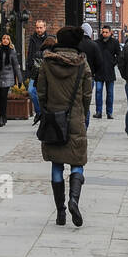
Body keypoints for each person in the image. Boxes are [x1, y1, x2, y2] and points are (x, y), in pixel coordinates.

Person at [37, 25, 93, 226]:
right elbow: (87, 94)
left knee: (57, 164)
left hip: (53, 118)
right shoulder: (82, 65)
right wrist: (83, 113)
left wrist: (46, 110)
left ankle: (60, 211)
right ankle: (73, 200)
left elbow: (40, 92)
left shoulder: (47, 63)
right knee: (77, 162)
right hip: (75, 117)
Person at [0, 31, 23, 126]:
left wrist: (20, 80)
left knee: (3, 96)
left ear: (10, 41)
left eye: (7, 39)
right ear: (1, 40)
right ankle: (4, 115)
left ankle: (1, 117)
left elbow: (16, 66)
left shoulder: (12, 51)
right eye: (4, 38)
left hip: (8, 76)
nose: (5, 40)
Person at [94, 24, 122, 119]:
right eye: (103, 32)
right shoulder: (97, 42)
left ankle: (109, 112)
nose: (104, 34)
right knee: (98, 91)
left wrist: (113, 63)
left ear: (110, 33)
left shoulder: (114, 42)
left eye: (106, 32)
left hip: (109, 71)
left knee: (110, 93)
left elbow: (119, 54)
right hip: (99, 71)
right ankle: (98, 111)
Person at [79, 23, 103, 128]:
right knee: (86, 101)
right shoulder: (94, 45)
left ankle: (77, 124)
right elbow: (99, 62)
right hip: (89, 77)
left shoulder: (76, 43)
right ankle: (85, 125)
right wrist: (94, 72)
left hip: (75, 76)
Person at [25, 19, 49, 119]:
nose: (38, 29)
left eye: (40, 27)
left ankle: (44, 113)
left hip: (45, 71)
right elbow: (29, 54)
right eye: (37, 27)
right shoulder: (33, 38)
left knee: (45, 94)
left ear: (45, 27)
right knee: (31, 90)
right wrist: (28, 70)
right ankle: (39, 112)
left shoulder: (49, 39)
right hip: (34, 71)